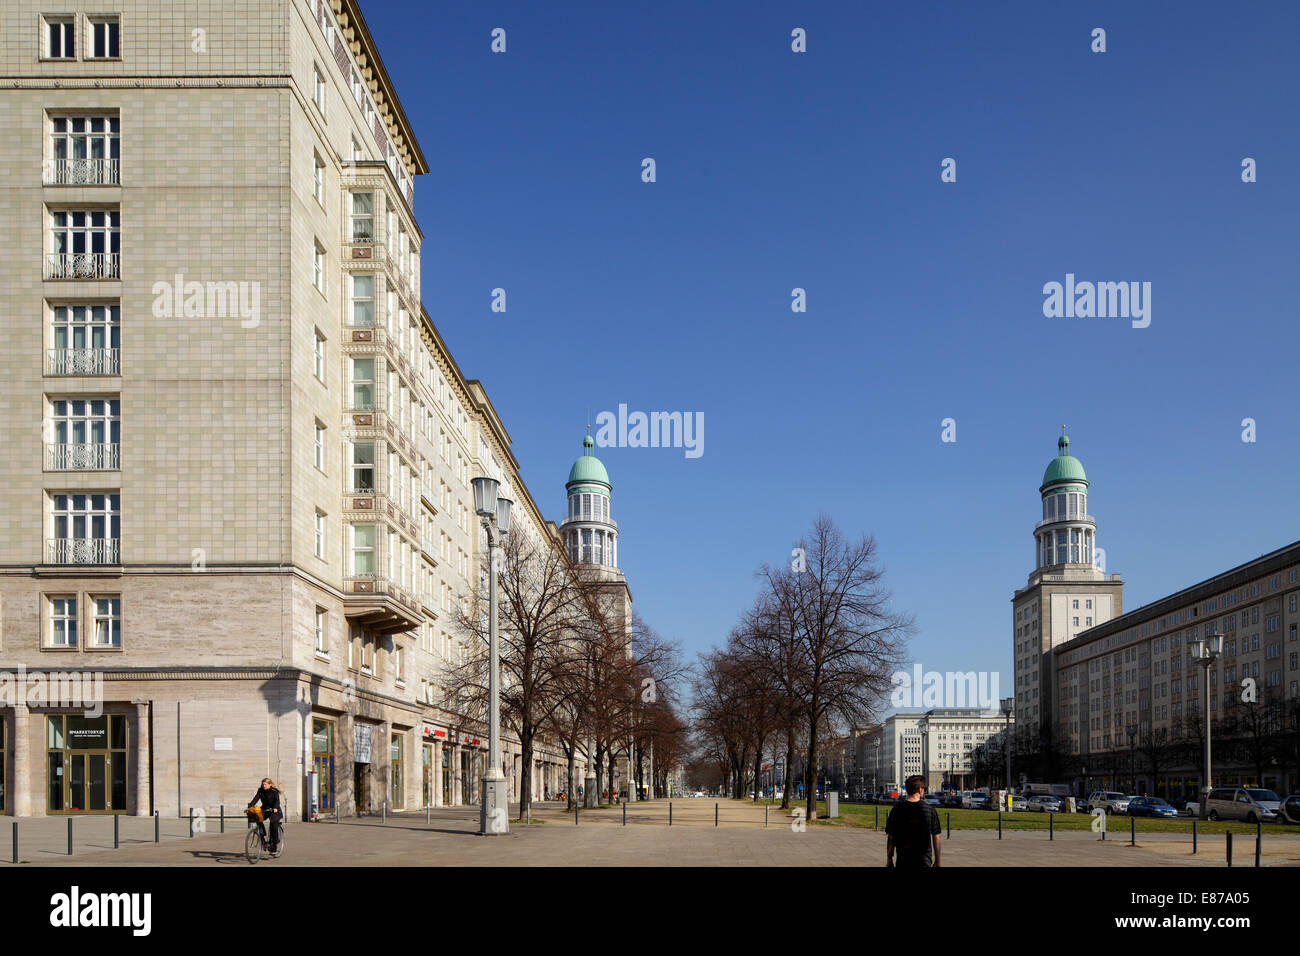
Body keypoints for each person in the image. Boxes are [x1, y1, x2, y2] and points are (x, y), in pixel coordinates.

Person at [885, 775, 941, 868]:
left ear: (907, 790)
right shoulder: (929, 810)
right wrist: (937, 861)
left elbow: (891, 838)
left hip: (903, 861)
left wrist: (889, 859)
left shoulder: (897, 809)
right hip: (924, 861)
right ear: (920, 789)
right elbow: (936, 837)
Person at [248, 777, 283, 853]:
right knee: (257, 818)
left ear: (270, 784)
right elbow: (255, 799)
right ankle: (263, 838)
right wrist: (249, 807)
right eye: (263, 784)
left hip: (275, 810)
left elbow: (277, 801)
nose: (264, 786)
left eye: (265, 784)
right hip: (265, 809)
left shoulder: (274, 791)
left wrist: (275, 808)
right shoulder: (260, 790)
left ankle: (274, 846)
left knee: (273, 825)